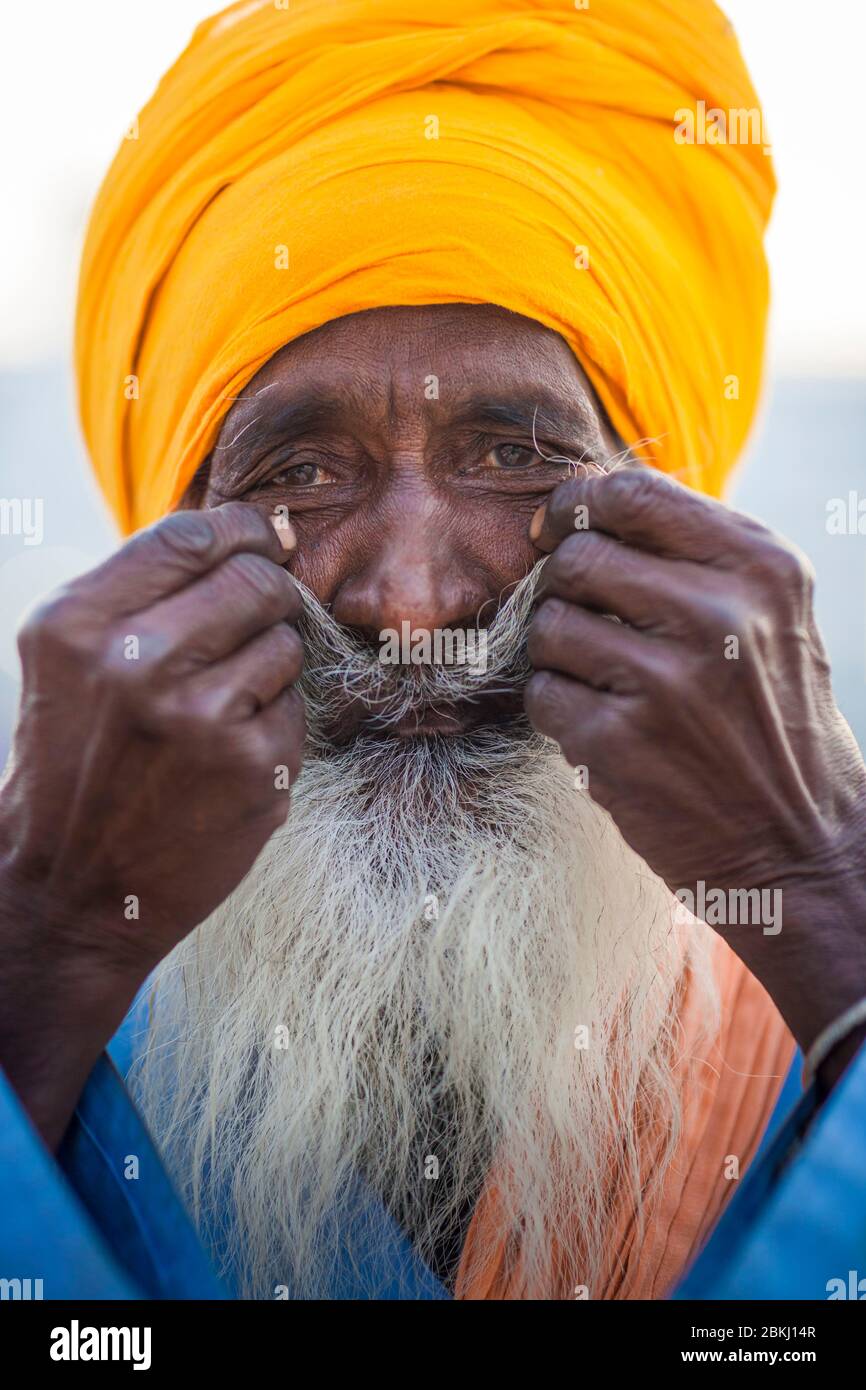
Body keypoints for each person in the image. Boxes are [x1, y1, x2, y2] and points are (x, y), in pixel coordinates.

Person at [1, 0, 864, 1301]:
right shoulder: (56, 973)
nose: (411, 600)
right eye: (301, 469)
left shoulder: (808, 982)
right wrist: (49, 937)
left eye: (515, 456)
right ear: (170, 555)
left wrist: (822, 892)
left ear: (671, 529)